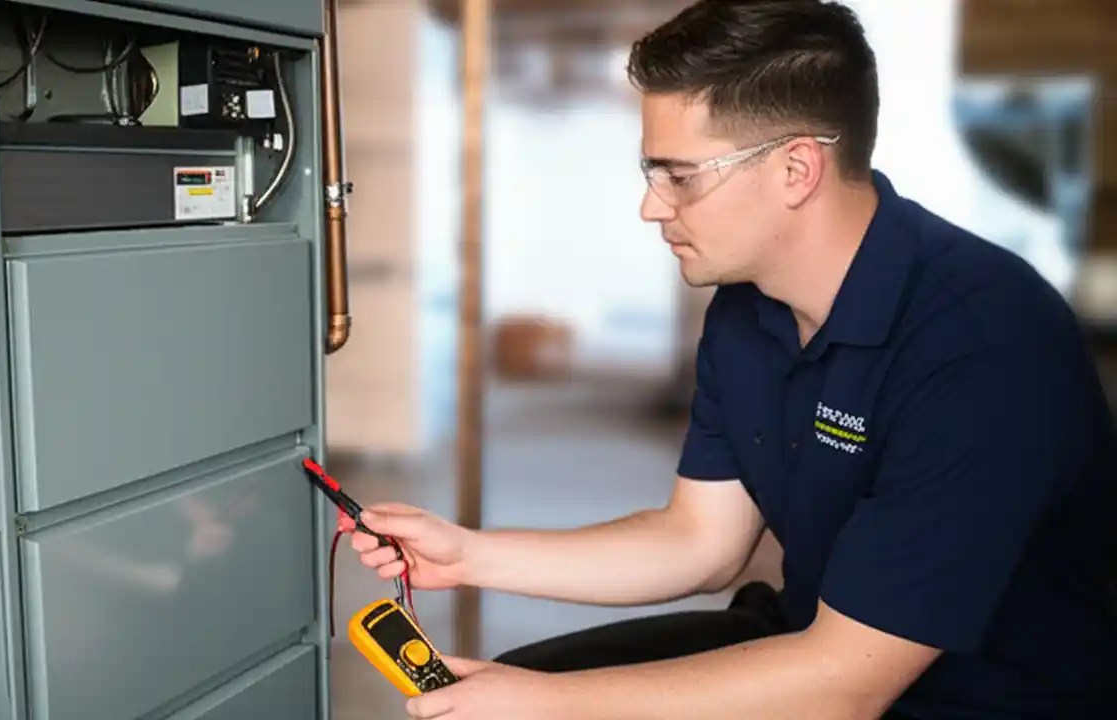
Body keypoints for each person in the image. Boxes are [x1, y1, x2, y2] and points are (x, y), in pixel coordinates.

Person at [341, 1, 1117, 717]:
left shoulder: (981, 344)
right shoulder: (749, 308)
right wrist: (472, 555)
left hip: (972, 696)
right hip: (813, 640)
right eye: (652, 171)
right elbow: (700, 542)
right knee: (522, 674)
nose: (652, 204)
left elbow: (843, 687)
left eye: (679, 175)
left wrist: (550, 705)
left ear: (796, 169)